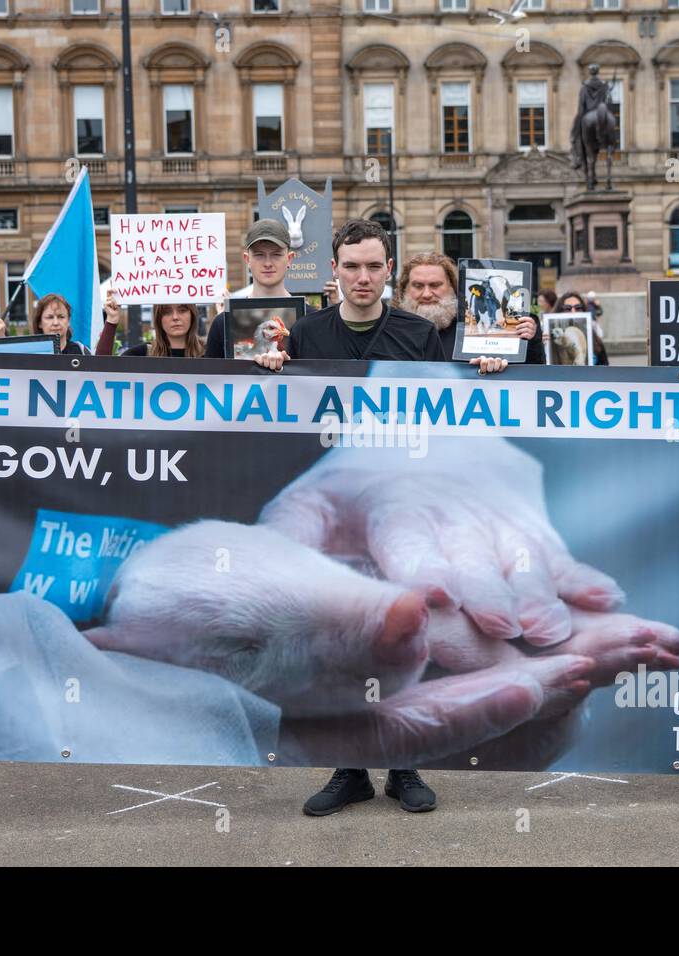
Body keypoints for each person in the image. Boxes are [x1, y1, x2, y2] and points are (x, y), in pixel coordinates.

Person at [252, 218, 451, 814]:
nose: (362, 277)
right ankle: (350, 768)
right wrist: (266, 369)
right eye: (351, 266)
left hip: (402, 505)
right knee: (336, 635)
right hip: (331, 507)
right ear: (333, 271)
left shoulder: (418, 333)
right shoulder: (306, 334)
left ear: (389, 270)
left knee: (401, 631)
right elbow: (271, 412)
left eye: (373, 266)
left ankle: (404, 765)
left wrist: (492, 367)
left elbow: (452, 412)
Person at [392, 251, 542, 368]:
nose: (426, 294)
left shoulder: (478, 325)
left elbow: (531, 378)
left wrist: (530, 341)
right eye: (418, 286)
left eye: (435, 285)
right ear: (404, 289)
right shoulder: (391, 329)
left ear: (453, 287)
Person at [206, 220, 325, 359]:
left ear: (289, 259)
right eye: (259, 255)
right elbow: (213, 378)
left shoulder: (314, 320)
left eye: (276, 254)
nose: (268, 263)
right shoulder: (222, 324)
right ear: (247, 259)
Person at [96, 292, 205, 358]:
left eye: (182, 310)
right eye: (167, 312)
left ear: (192, 314)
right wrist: (112, 319)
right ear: (158, 318)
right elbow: (99, 372)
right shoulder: (141, 354)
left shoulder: (210, 353)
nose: (175, 317)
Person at [552, 291, 609, 366]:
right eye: (567, 308)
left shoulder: (594, 338)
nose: (573, 312)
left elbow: (604, 365)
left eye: (578, 308)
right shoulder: (552, 336)